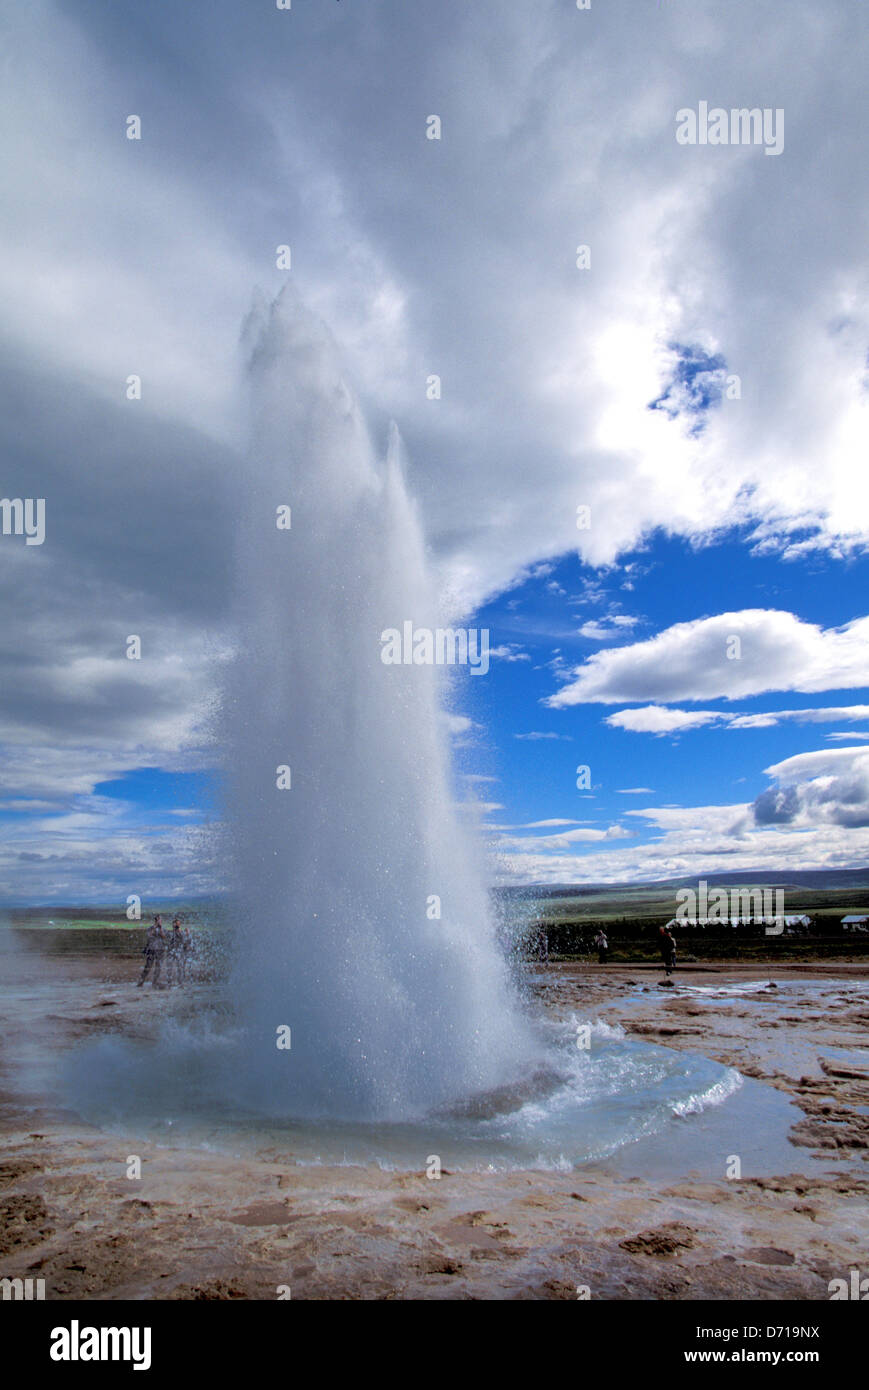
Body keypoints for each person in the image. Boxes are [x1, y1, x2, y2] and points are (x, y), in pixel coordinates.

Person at [138, 914, 166, 988]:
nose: (160, 921)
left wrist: (160, 928)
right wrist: (155, 927)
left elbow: (164, 937)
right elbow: (149, 935)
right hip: (152, 949)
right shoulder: (150, 928)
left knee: (158, 967)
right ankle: (141, 982)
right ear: (156, 920)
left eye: (161, 920)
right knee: (148, 966)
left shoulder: (162, 928)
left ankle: (155, 982)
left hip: (160, 950)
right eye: (159, 920)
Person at [165, 916, 184, 987]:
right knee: (169, 967)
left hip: (178, 951)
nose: (177, 925)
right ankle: (169, 982)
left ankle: (180, 982)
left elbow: (183, 940)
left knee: (180, 967)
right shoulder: (170, 933)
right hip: (171, 951)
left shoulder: (181, 932)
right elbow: (167, 940)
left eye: (179, 924)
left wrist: (179, 932)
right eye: (176, 924)